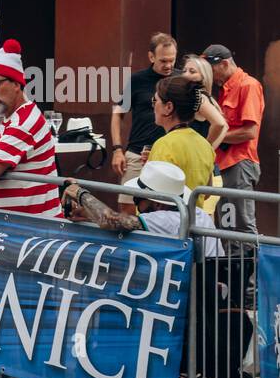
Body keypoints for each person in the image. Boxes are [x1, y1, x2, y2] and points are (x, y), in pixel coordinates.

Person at [0, 39, 62, 217]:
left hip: (34, 230)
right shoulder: (14, 116)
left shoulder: (23, 122)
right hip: (23, 227)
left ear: (16, 84)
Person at [64, 161, 222, 257]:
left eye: (138, 199)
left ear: (158, 204)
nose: (135, 203)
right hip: (210, 289)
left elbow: (111, 220)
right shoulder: (199, 214)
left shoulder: (163, 218)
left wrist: (80, 193)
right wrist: (89, 214)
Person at [111, 32, 178, 215]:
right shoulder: (136, 80)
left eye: (172, 60)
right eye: (163, 61)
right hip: (137, 153)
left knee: (168, 210)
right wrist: (117, 149)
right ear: (151, 57)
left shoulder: (181, 81)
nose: (168, 65)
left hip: (170, 157)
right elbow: (117, 114)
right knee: (127, 208)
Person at [203, 44, 264, 234]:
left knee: (242, 224)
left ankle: (250, 263)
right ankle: (230, 263)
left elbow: (250, 132)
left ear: (224, 63)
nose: (211, 76)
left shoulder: (248, 85)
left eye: (212, 70)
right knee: (226, 225)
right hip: (223, 164)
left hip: (240, 163)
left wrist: (214, 138)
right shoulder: (224, 89)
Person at [146, 73, 216, 197]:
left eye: (155, 100)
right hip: (194, 215)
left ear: (168, 107)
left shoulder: (165, 145)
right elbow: (206, 194)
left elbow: (153, 196)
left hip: (166, 216)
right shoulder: (205, 145)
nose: (153, 106)